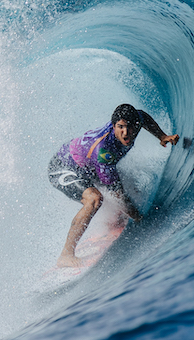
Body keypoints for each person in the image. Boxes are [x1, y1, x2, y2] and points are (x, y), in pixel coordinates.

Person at [48, 103, 178, 268]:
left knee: (127, 187)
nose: (125, 133)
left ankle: (116, 220)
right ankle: (65, 255)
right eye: (120, 127)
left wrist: (162, 136)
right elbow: (116, 192)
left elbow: (143, 117)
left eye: (129, 127)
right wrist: (139, 218)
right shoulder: (104, 150)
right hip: (64, 167)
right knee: (94, 199)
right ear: (114, 125)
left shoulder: (135, 122)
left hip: (89, 164)